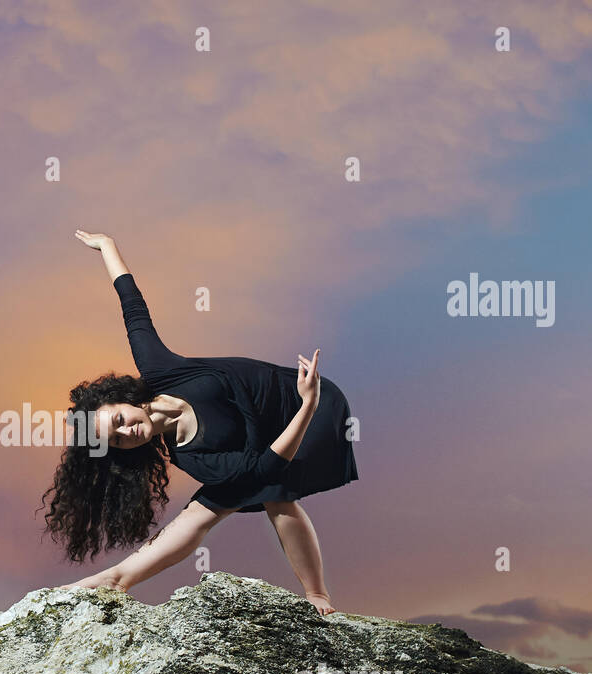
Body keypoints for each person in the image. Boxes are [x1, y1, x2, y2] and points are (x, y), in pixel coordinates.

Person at [41, 231, 358, 616]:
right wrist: (306, 407)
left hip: (317, 404)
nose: (127, 432)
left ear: (123, 401)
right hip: (296, 422)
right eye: (118, 440)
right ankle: (118, 578)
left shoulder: (160, 370)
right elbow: (268, 468)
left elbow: (133, 308)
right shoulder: (193, 457)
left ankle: (120, 577)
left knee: (266, 491)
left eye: (119, 420)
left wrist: (107, 246)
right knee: (252, 490)